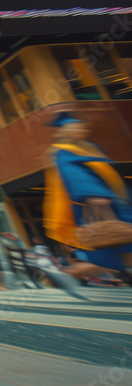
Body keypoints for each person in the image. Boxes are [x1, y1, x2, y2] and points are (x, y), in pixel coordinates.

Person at [43, 112, 132, 283]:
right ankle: (67, 274)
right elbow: (72, 173)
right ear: (63, 131)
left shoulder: (91, 147)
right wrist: (93, 193)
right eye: (74, 127)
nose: (79, 130)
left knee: (116, 251)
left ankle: (66, 275)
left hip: (117, 202)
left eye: (80, 126)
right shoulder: (63, 151)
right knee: (113, 248)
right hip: (97, 204)